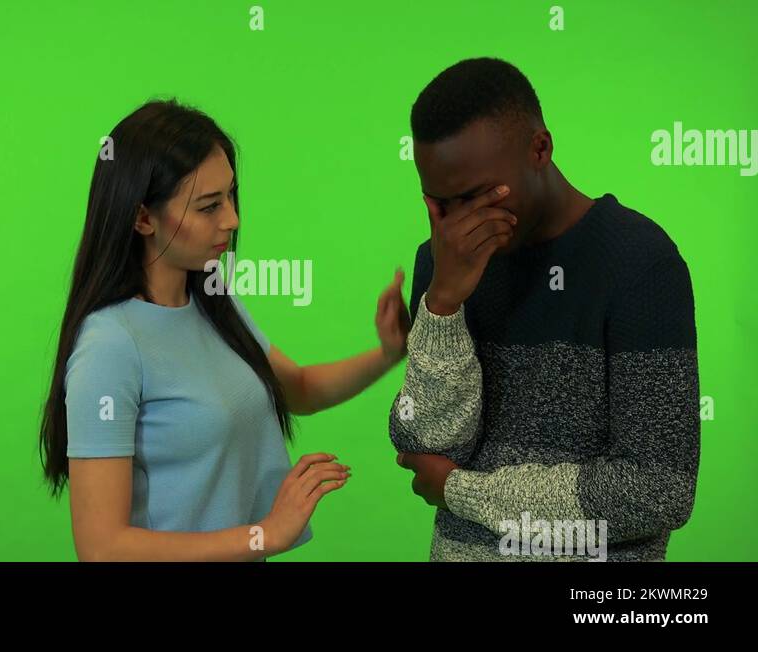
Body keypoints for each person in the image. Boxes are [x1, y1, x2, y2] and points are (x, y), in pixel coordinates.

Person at [40, 99, 411, 561]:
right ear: (142, 218)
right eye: (208, 206)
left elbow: (299, 388)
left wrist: (389, 353)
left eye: (231, 196)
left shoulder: (215, 299)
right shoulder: (110, 345)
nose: (232, 219)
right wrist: (265, 534)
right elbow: (101, 547)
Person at [391, 57, 700, 561]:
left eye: (475, 196)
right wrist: (442, 305)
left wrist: (462, 492)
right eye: (439, 202)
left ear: (540, 148)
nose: (458, 222)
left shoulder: (639, 262)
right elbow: (426, 446)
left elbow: (657, 489)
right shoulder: (442, 260)